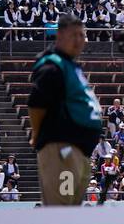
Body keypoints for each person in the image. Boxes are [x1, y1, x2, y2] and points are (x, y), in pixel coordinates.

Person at [27, 14, 103, 206]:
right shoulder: (53, 65)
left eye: (82, 35)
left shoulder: (70, 66)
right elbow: (36, 102)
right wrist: (36, 134)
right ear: (60, 36)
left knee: (70, 215)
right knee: (61, 213)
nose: (79, 40)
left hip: (78, 153)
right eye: (74, 35)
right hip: (62, 152)